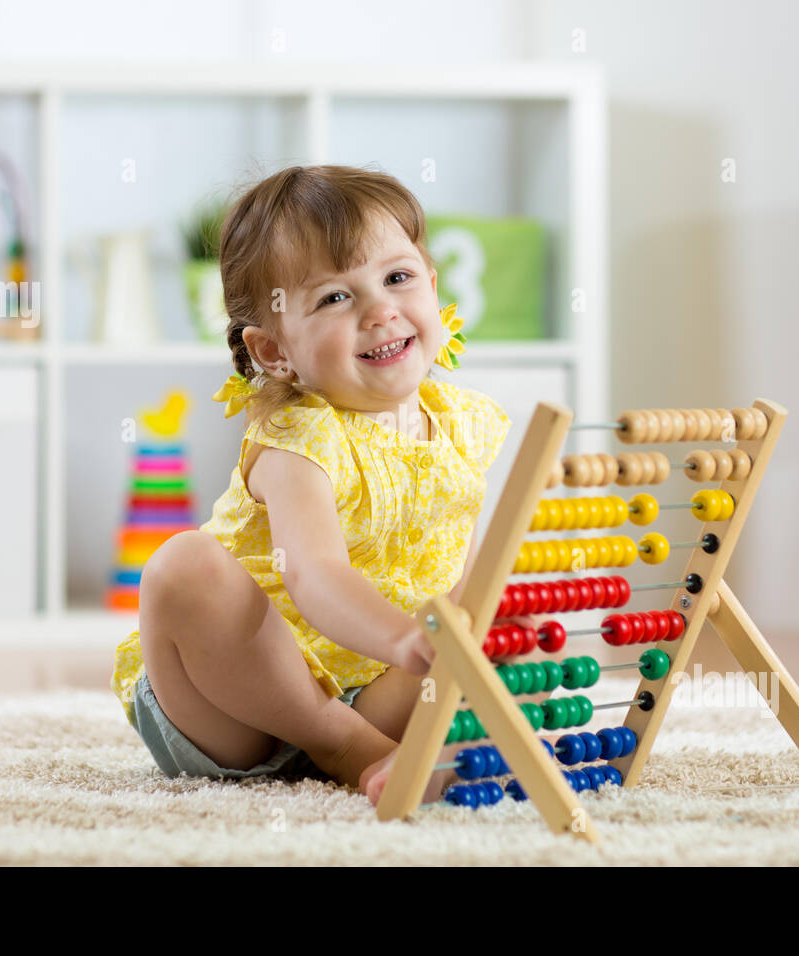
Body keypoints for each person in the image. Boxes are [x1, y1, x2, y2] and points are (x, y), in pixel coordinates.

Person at [111, 164, 532, 806]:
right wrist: (405, 638)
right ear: (276, 351)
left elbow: (456, 567)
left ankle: (421, 746)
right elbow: (316, 576)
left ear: (432, 285)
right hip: (235, 705)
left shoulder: (465, 424)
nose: (380, 310)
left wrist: (466, 643)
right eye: (335, 297)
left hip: (377, 688)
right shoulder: (299, 437)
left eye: (397, 278)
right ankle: (347, 749)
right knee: (182, 566)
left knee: (496, 608)